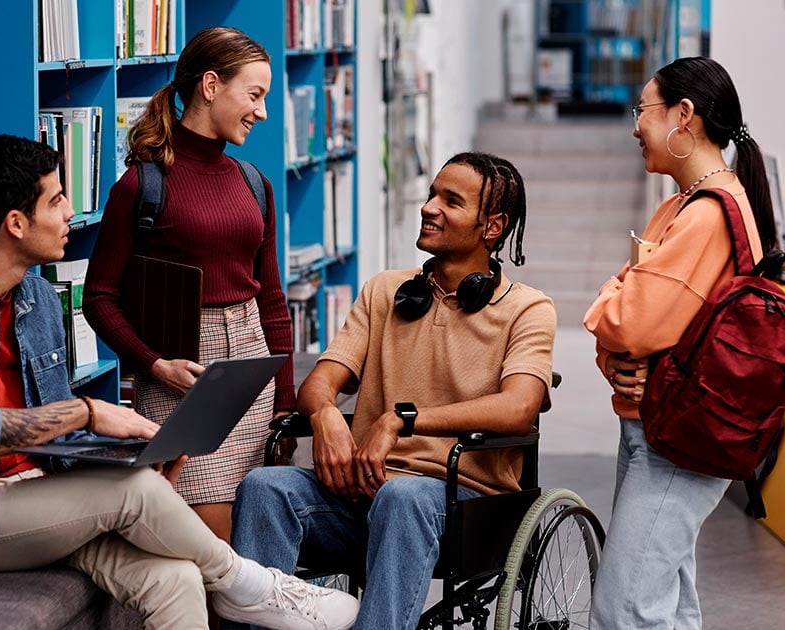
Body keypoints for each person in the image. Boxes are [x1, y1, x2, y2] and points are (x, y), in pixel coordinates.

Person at [0, 133, 359, 630]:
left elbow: (57, 438)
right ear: (16, 223)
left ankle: (238, 586)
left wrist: (127, 453)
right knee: (134, 494)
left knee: (177, 579)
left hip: (42, 494)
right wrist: (89, 411)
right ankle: (248, 585)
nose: (71, 211)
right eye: (57, 200)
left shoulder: (38, 299)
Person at [227, 152, 557, 629]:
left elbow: (518, 408)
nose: (429, 207)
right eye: (431, 194)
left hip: (462, 506)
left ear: (493, 226)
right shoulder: (384, 291)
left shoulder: (528, 309)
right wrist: (324, 419)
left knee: (403, 498)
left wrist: (398, 420)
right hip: (360, 495)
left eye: (451, 201)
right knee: (265, 487)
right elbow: (321, 382)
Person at [584, 56, 777, 629]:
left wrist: (613, 303)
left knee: (625, 608)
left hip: (675, 442)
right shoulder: (686, 204)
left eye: (642, 110)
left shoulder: (705, 215)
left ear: (683, 116)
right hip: (660, 427)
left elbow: (629, 320)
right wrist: (619, 347)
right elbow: (630, 329)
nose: (635, 126)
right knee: (663, 601)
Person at [83, 26, 294, 544]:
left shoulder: (253, 183)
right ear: (209, 85)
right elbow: (99, 298)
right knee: (208, 548)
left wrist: (285, 405)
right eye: (254, 94)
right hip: (181, 381)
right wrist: (155, 366)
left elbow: (271, 301)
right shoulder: (142, 185)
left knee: (253, 539)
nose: (261, 112)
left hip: (252, 375)